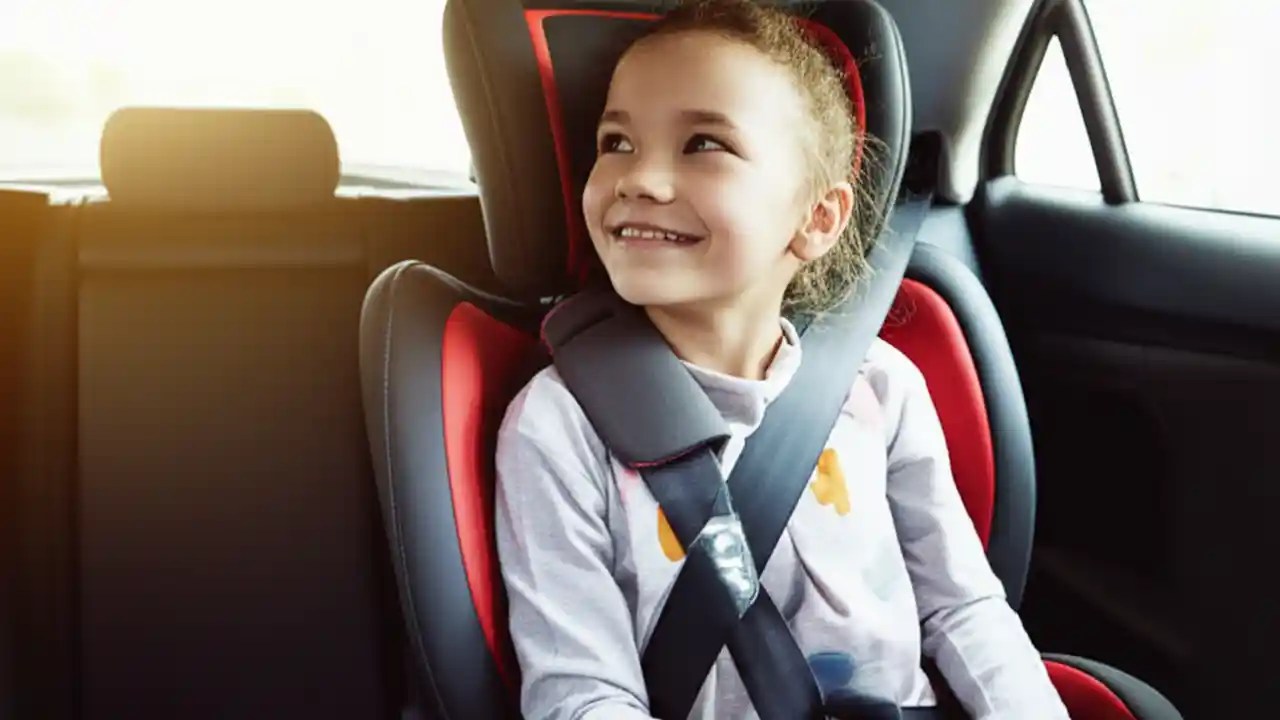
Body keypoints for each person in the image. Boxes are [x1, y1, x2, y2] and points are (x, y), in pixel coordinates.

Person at [494, 1, 1070, 718]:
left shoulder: (880, 390)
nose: (638, 178)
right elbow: (582, 693)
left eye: (703, 143)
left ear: (817, 219)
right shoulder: (558, 425)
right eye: (616, 143)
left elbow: (964, 609)